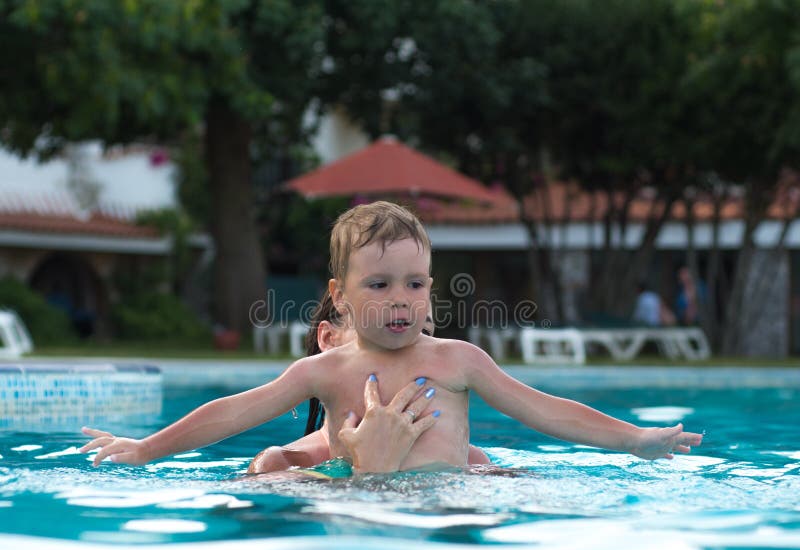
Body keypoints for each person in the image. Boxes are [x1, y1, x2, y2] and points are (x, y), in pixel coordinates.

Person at [81, 201, 702, 472]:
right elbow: (233, 414)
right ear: (339, 295)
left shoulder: (459, 360)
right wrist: (147, 449)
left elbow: (545, 411)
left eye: (414, 284)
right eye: (378, 285)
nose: (400, 299)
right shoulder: (321, 372)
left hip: (449, 511)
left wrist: (634, 439)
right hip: (359, 503)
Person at [247, 293, 489, 474]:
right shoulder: (280, 466)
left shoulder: (469, 460)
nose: (407, 350)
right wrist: (372, 471)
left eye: (422, 333)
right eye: (379, 331)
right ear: (330, 339)